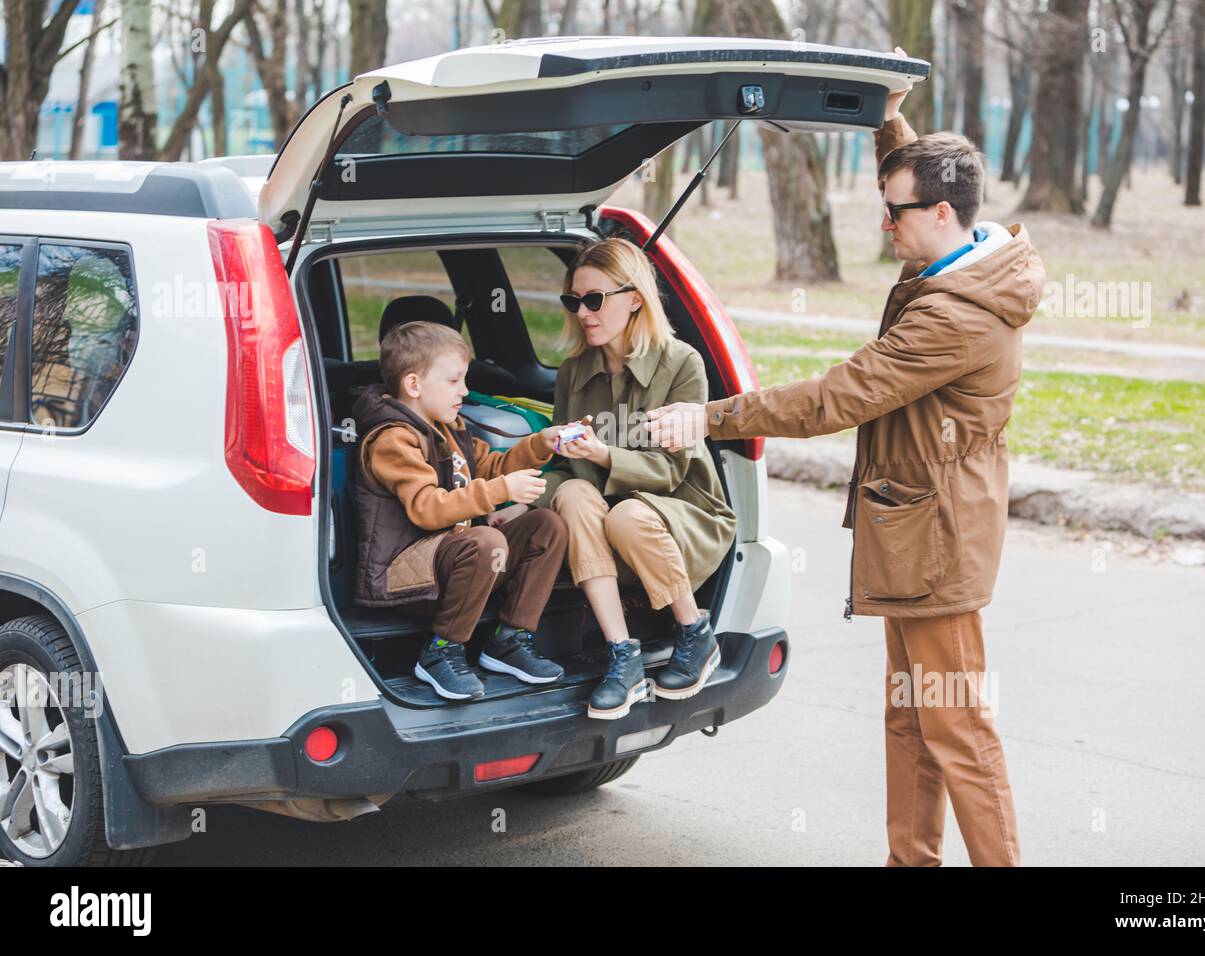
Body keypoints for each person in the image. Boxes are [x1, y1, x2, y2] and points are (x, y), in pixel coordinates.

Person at [646, 58, 1046, 867]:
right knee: (910, 715)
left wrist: (708, 416)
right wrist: (886, 123)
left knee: (956, 724)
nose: (883, 226)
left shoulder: (957, 317)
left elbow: (840, 397)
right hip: (914, 524)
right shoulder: (958, 254)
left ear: (940, 213)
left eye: (894, 214)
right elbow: (914, 184)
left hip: (939, 540)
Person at [530, 237, 737, 720]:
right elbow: (564, 468)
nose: (582, 312)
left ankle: (694, 632)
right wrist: (530, 496)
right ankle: (622, 655)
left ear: (635, 299)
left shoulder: (681, 363)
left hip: (682, 513)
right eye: (574, 301)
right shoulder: (573, 372)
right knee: (576, 492)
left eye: (595, 299)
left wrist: (603, 454)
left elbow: (671, 472)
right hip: (604, 527)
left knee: (625, 515)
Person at [351, 319, 583, 701]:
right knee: (486, 540)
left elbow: (490, 468)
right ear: (413, 385)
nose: (466, 391)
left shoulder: (450, 428)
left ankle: (509, 640)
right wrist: (498, 492)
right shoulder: (393, 439)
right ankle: (442, 653)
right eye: (454, 381)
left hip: (459, 560)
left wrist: (541, 443)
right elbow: (427, 509)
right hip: (409, 575)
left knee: (547, 525)